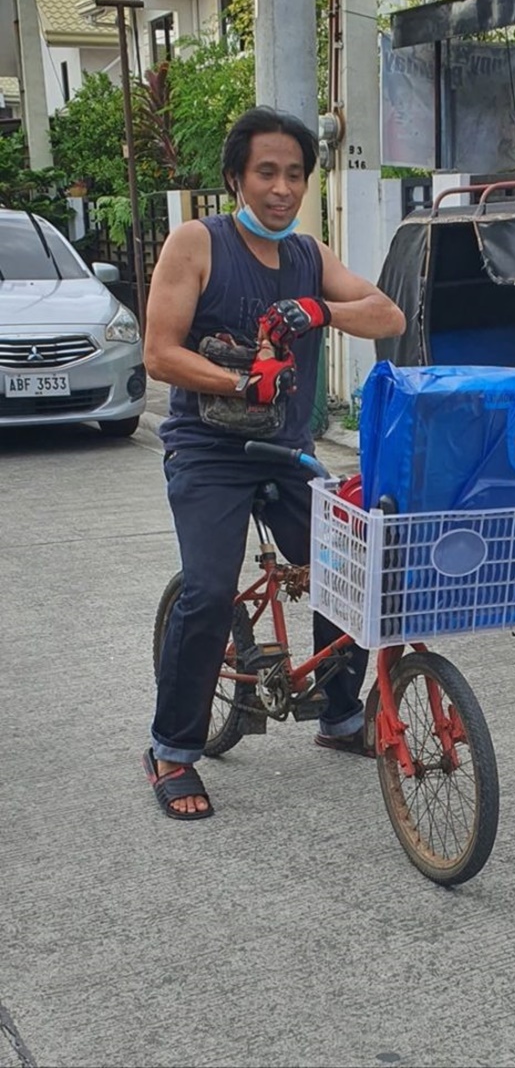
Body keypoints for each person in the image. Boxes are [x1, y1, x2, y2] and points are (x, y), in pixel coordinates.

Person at [142, 105, 406, 820]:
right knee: (206, 592)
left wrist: (320, 310)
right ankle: (172, 748)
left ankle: (340, 715)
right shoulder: (197, 244)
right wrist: (237, 381)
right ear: (237, 178)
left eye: (294, 174)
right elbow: (159, 352)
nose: (282, 188)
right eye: (267, 172)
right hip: (208, 450)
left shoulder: (309, 257)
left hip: (287, 448)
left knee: (347, 572)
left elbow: (389, 316)